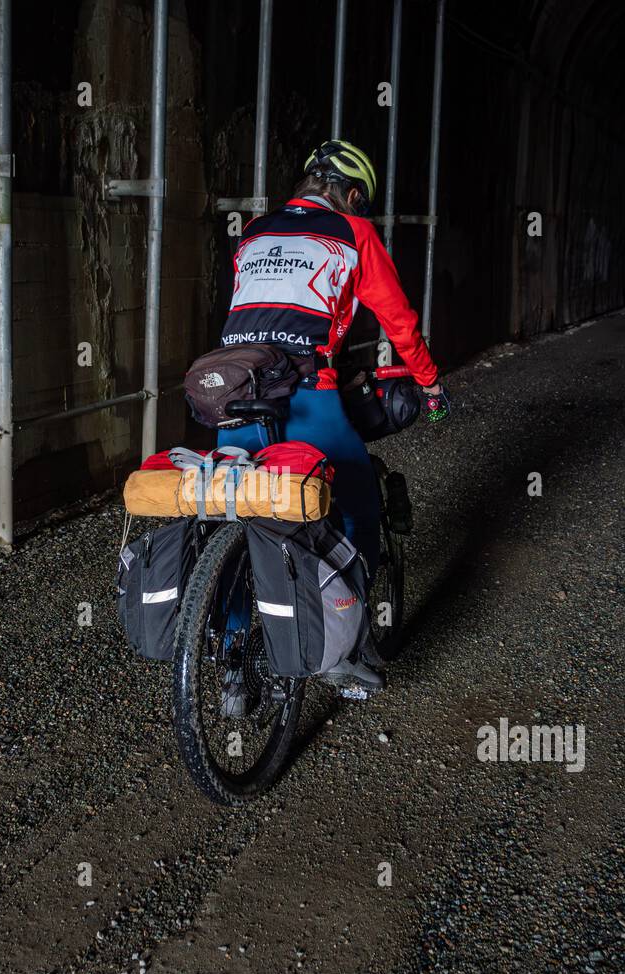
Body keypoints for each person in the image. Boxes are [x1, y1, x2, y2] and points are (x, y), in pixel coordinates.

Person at [216, 140, 449, 696]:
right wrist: (430, 383)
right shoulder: (355, 234)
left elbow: (267, 315)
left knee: (237, 510)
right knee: (356, 505)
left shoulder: (252, 234)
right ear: (350, 194)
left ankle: (230, 664)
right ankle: (347, 649)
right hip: (306, 394)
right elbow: (399, 322)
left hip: (229, 391)